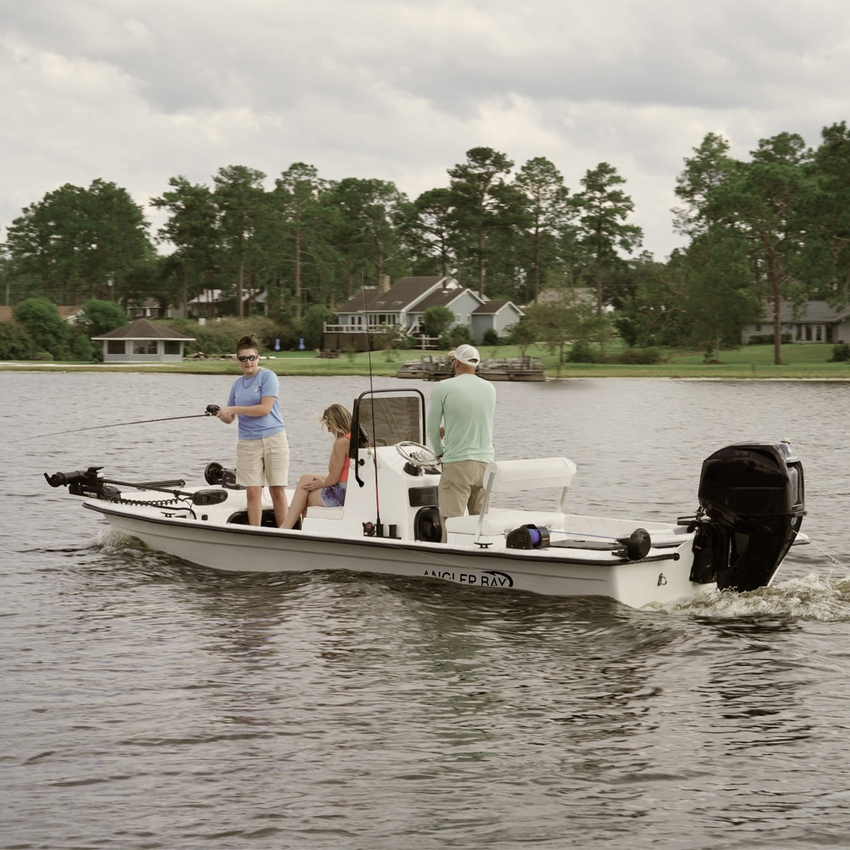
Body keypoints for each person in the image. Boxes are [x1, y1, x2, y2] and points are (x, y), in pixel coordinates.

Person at [215, 335, 289, 527]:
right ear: (237, 360)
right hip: (248, 442)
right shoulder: (237, 385)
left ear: (258, 357)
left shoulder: (268, 376)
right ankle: (255, 532)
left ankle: (285, 534)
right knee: (252, 492)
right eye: (243, 358)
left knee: (277, 491)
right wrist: (220, 413)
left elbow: (264, 409)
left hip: (274, 438)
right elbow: (229, 419)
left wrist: (234, 409)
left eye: (252, 357)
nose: (248, 362)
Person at [426, 343, 496, 542]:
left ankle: (448, 568)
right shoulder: (490, 389)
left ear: (456, 362)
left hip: (457, 464)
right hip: (485, 465)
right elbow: (473, 420)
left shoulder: (443, 387)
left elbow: (431, 428)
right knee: (480, 524)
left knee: (451, 523)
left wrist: (440, 452)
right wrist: (447, 430)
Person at [280, 404, 352, 530]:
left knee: (309, 497)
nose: (329, 430)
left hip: (342, 493)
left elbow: (334, 478)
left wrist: (322, 483)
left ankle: (296, 530)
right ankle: (288, 527)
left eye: (329, 427)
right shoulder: (354, 438)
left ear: (335, 424)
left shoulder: (342, 443)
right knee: (306, 478)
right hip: (350, 486)